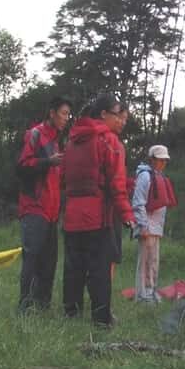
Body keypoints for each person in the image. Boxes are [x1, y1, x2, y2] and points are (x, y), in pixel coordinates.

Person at [62, 94, 135, 328]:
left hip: (72, 215)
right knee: (99, 271)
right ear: (103, 114)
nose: (121, 121)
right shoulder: (110, 142)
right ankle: (101, 319)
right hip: (97, 217)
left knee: (73, 268)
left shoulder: (71, 141)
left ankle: (71, 313)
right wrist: (127, 216)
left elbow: (63, 178)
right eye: (117, 115)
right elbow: (116, 184)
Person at [16, 96, 71, 313]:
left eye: (68, 114)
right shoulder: (35, 134)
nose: (67, 118)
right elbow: (21, 167)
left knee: (49, 261)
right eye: (64, 113)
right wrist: (48, 162)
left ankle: (43, 306)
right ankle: (25, 306)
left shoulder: (57, 141)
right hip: (34, 208)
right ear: (52, 113)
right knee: (32, 258)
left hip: (52, 211)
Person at [132, 145, 177, 303]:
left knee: (153, 262)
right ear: (152, 160)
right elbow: (138, 203)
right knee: (145, 263)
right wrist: (143, 226)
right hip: (147, 227)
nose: (163, 163)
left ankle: (151, 291)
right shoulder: (145, 176)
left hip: (156, 227)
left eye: (165, 160)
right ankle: (142, 295)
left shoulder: (158, 176)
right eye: (160, 160)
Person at [109, 104, 130, 280]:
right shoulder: (112, 145)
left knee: (113, 254)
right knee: (109, 254)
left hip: (115, 206)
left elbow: (120, 179)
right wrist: (126, 214)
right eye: (120, 117)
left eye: (125, 120)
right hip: (111, 207)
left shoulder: (118, 145)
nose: (123, 122)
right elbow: (114, 181)